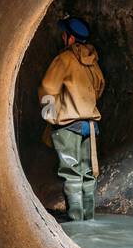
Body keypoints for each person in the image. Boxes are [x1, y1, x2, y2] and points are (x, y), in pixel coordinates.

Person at [39, 16, 105, 220]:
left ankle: (76, 223)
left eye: (64, 33)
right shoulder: (93, 60)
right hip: (91, 126)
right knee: (88, 174)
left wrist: (51, 117)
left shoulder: (64, 59)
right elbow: (100, 87)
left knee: (72, 174)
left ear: (69, 38)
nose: (62, 36)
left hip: (69, 126)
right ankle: (89, 220)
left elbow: (48, 87)